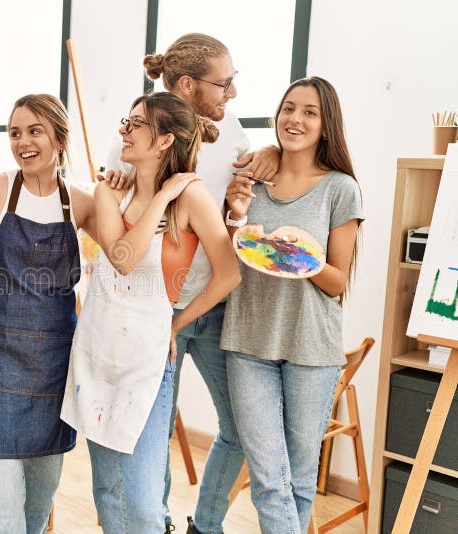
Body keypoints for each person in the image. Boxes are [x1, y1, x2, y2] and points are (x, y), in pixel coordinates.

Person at [114, 33, 279, 534]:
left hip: (213, 303)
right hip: (154, 310)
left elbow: (237, 212)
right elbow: (119, 235)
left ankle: (204, 526)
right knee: (155, 433)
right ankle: (160, 522)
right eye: (223, 84)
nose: (232, 93)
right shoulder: (136, 137)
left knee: (241, 427)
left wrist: (269, 154)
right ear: (186, 84)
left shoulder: (231, 133)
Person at [61, 91, 241, 533]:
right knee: (108, 490)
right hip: (97, 348)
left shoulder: (192, 197)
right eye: (126, 121)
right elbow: (122, 257)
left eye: (136, 123)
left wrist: (177, 324)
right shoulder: (110, 191)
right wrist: (161, 198)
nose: (124, 130)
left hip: (148, 357)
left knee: (143, 503)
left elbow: (228, 274)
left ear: (164, 141)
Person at [0, 94, 98, 534]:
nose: (22, 142)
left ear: (59, 139)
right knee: (1, 505)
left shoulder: (82, 203)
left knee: (40, 498)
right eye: (15, 133)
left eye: (34, 131)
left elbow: (126, 251)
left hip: (55, 367)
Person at [222, 76, 363, 533]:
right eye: (288, 108)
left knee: (299, 480)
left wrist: (301, 256)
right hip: (247, 342)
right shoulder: (251, 179)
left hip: (311, 348)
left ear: (326, 125)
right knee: (268, 479)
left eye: (309, 112)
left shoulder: (340, 189)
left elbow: (336, 282)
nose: (295, 119)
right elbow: (227, 258)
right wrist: (235, 217)